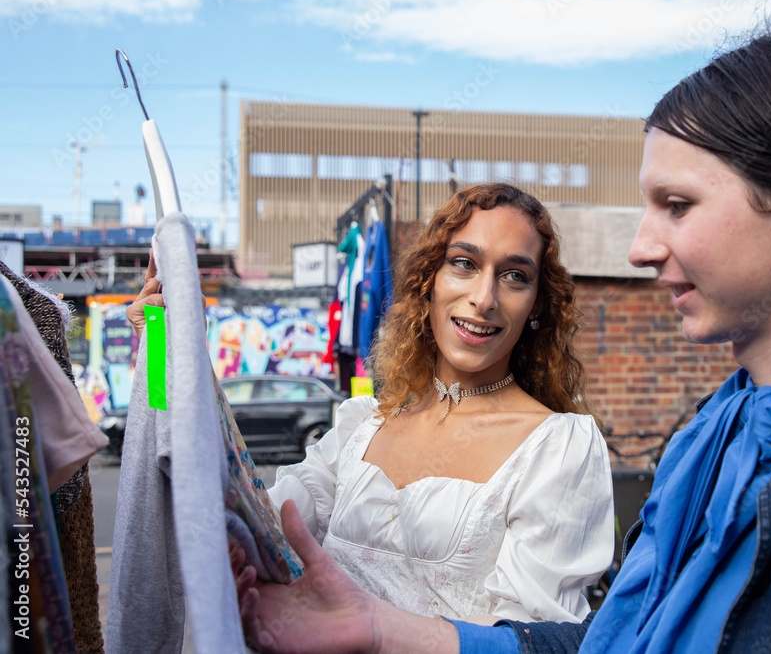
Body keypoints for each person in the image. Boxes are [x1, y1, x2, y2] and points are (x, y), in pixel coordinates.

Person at [231, 0, 771, 652]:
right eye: (462, 264)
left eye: (677, 204)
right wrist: (375, 626)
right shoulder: (712, 435)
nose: (639, 246)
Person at [129, 183, 614, 623]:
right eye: (464, 263)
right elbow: (248, 528)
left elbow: (528, 643)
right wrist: (164, 345)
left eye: (514, 276)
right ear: (428, 283)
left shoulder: (557, 448)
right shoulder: (365, 423)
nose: (483, 298)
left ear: (535, 307)